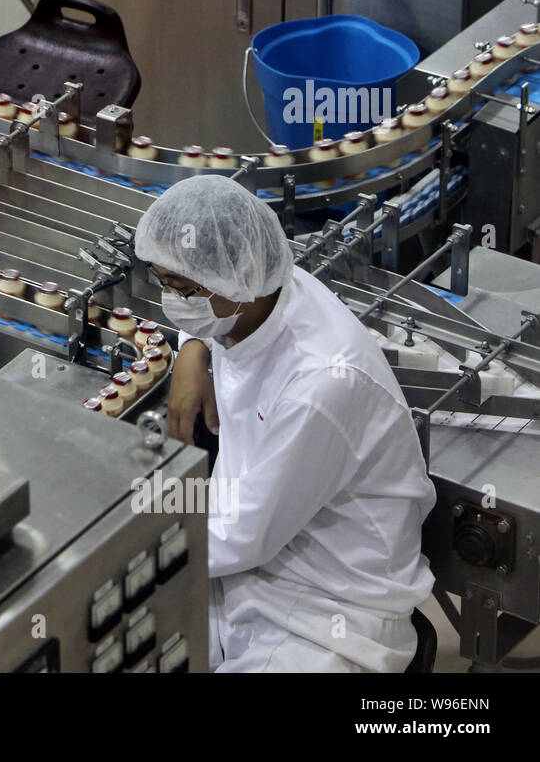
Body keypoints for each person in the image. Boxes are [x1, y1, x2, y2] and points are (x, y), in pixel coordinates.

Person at [133, 174, 436, 672]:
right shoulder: (263, 296)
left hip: (328, 611)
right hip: (243, 565)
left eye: (184, 289)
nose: (174, 301)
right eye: (165, 283)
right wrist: (192, 348)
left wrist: (126, 544)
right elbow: (206, 303)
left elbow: (246, 533)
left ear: (241, 281)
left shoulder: (319, 385)